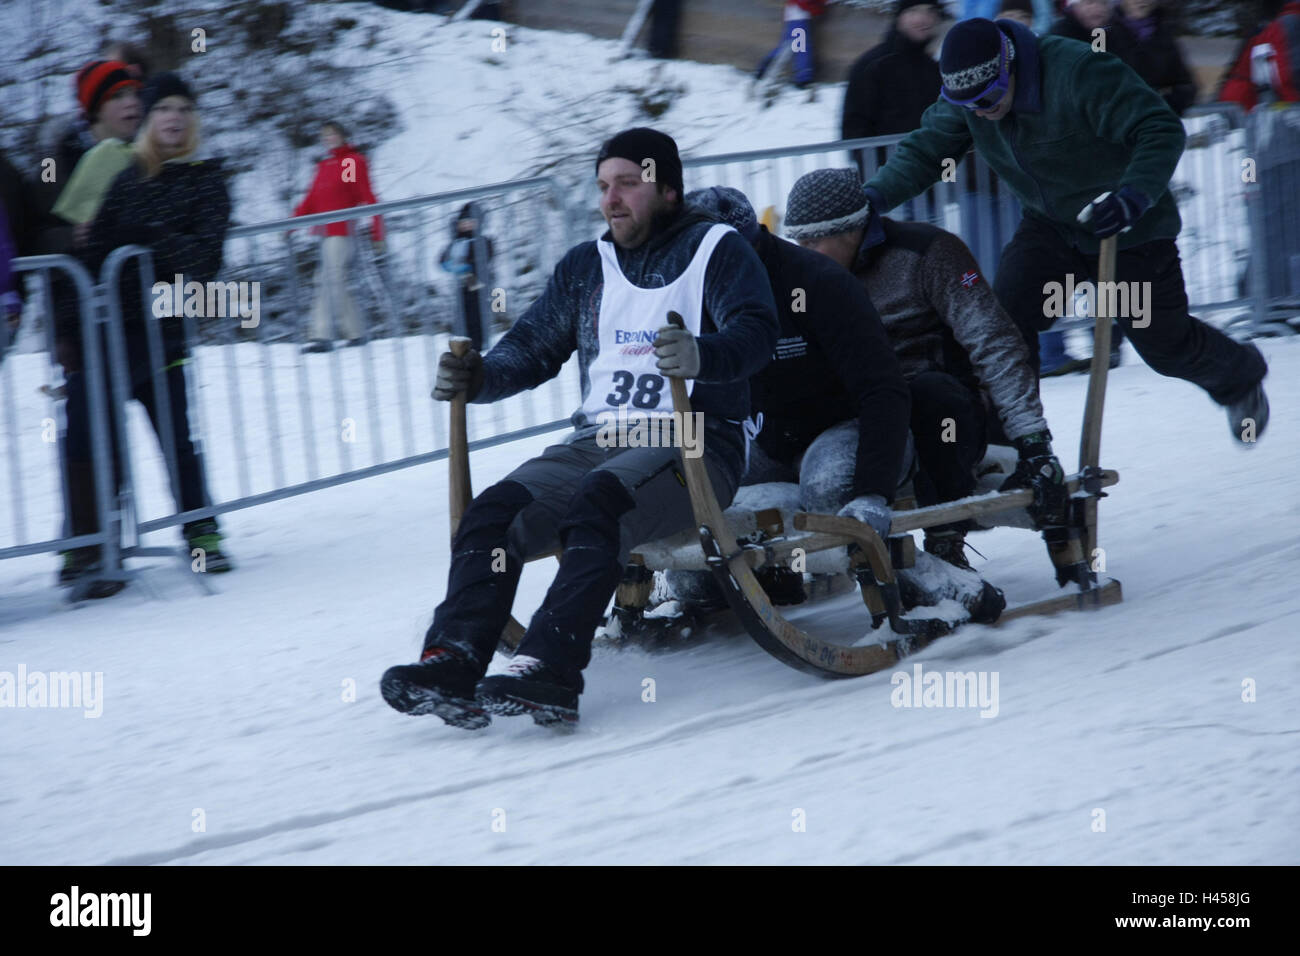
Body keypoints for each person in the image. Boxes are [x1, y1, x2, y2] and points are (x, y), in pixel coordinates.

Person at [380, 128, 778, 730]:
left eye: (627, 183)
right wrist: (476, 378)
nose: (611, 199)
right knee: (494, 513)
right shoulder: (586, 267)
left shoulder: (716, 249)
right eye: (602, 186)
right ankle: (454, 657)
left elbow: (756, 332)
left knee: (599, 503)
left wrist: (703, 355)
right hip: (597, 441)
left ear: (667, 189)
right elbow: (533, 348)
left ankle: (550, 666)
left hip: (694, 443)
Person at [860, 16, 1270, 448]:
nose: (981, 110)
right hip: (1051, 229)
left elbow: (1159, 127)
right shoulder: (970, 99)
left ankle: (1239, 374)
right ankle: (1015, 452)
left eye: (990, 97)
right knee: (1006, 325)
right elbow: (926, 150)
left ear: (1010, 65)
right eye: (969, 105)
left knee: (1162, 345)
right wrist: (875, 198)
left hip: (1129, 229)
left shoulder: (1080, 72)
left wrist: (1134, 195)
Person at [785, 167, 1054, 569]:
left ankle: (946, 539)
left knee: (932, 397)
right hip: (864, 416)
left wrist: (1033, 444)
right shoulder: (807, 278)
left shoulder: (928, 253)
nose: (802, 251)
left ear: (849, 230)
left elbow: (994, 341)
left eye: (812, 240)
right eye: (796, 241)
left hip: (943, 416)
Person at [678, 185, 912, 604]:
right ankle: (710, 591)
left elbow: (883, 387)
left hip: (843, 426)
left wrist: (872, 490)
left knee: (825, 485)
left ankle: (893, 582)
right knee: (688, 487)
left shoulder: (818, 282)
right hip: (763, 438)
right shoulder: (688, 292)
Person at [69, 72, 233, 593]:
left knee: (177, 438)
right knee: (100, 444)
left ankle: (202, 533)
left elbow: (204, 261)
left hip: (165, 332)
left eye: (184, 108)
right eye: (163, 107)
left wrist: (150, 237)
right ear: (150, 116)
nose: (174, 117)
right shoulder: (128, 176)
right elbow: (92, 256)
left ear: (193, 119)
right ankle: (93, 548)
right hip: (110, 336)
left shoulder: (207, 178)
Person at [293, 121, 384, 352]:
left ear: (343, 136)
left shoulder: (348, 162)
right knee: (335, 279)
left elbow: (362, 194)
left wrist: (377, 231)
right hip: (326, 233)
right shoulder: (325, 165)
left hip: (342, 231)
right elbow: (310, 201)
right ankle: (356, 332)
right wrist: (290, 226)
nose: (328, 138)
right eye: (325, 135)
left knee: (327, 279)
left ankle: (321, 335)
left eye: (333, 134)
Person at [1219, 0, 1300, 110]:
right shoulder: (1291, 23)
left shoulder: (1285, 21)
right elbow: (1286, 76)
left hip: (1254, 101)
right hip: (1248, 105)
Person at [438, 201, 495, 350]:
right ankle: (463, 343)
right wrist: (455, 264)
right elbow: (443, 259)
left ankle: (479, 345)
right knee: (463, 314)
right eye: (463, 222)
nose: (466, 225)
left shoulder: (482, 240)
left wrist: (466, 264)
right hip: (463, 285)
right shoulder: (456, 243)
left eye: (471, 222)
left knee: (477, 314)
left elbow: (485, 256)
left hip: (478, 283)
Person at [755, 1, 827, 88]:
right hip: (798, 14)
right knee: (800, 47)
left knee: (790, 46)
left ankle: (763, 69)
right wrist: (819, 6)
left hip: (797, 14)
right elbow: (805, 3)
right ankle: (803, 78)